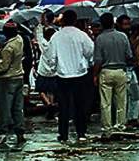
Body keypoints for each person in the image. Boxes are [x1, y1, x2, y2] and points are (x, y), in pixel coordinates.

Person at [41, 10, 94, 142]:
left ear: (63, 20)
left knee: (63, 106)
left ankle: (63, 134)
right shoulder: (82, 35)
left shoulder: (56, 36)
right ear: (75, 20)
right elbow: (90, 51)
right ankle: (81, 133)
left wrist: (54, 68)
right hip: (80, 74)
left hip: (62, 75)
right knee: (79, 105)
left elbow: (51, 56)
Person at [94, 12, 132, 138]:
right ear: (113, 22)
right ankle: (120, 125)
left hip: (106, 71)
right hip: (121, 70)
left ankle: (107, 127)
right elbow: (129, 55)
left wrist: (95, 75)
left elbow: (98, 60)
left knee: (105, 102)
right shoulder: (123, 36)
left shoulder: (99, 38)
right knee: (121, 100)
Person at [0, 21, 26, 145]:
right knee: (17, 108)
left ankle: (2, 132)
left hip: (6, 79)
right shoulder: (19, 40)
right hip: (18, 77)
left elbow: (3, 67)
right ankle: (20, 132)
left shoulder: (8, 48)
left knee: (4, 107)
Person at [118, 15, 139, 128]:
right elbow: (128, 50)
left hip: (131, 68)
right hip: (123, 69)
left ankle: (133, 117)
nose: (127, 26)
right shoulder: (120, 37)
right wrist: (138, 41)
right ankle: (125, 119)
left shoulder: (127, 35)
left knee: (135, 93)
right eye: (125, 24)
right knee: (126, 95)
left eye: (128, 24)